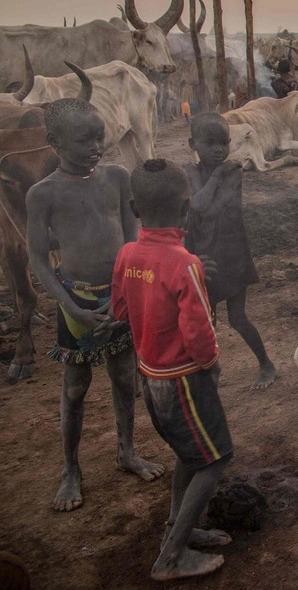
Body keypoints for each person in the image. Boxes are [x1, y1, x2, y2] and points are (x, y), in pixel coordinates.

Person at [26, 98, 164, 513]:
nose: (95, 146)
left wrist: (127, 294)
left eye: (99, 136)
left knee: (124, 379)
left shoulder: (118, 178)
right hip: (77, 301)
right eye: (84, 139)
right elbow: (37, 257)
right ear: (54, 142)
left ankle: (127, 451)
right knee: (75, 387)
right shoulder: (43, 193)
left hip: (118, 295)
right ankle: (71, 469)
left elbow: (131, 239)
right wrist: (70, 306)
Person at [114, 159, 232, 581]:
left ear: (133, 208)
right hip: (185, 380)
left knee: (189, 453)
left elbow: (120, 309)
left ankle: (177, 530)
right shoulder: (185, 264)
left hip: (151, 377)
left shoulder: (127, 254)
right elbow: (199, 331)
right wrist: (212, 365)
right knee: (216, 458)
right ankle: (171, 557)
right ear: (187, 209)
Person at [184, 113, 276, 390]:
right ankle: (211, 367)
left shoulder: (235, 171)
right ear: (193, 144)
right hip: (201, 253)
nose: (219, 150)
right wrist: (217, 174)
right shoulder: (192, 172)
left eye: (223, 143)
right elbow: (201, 206)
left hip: (231, 253)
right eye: (210, 143)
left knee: (238, 318)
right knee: (205, 318)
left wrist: (215, 179)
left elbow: (203, 208)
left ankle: (266, 364)